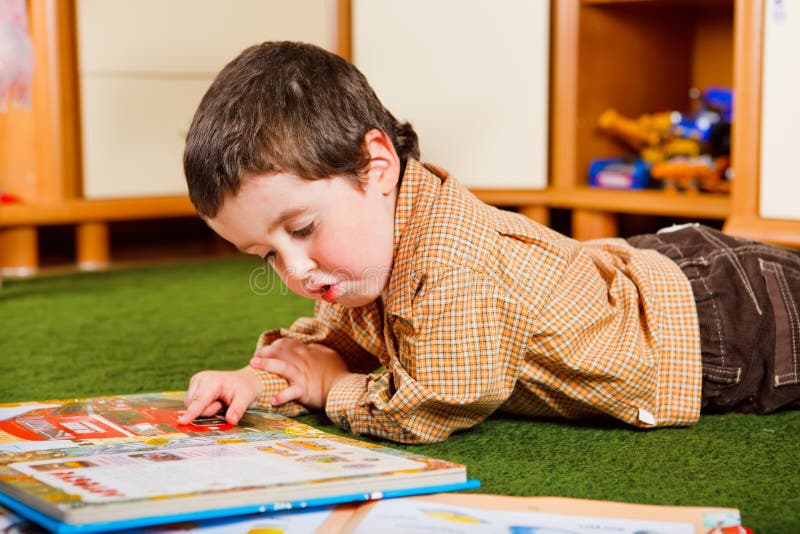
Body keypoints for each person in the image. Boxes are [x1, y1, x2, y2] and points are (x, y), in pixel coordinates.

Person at [177, 41, 800, 444]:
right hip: (657, 269)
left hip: (725, 322)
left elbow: (437, 397)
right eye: (266, 255)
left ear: (377, 165)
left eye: (303, 230)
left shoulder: (451, 265)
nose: (297, 270)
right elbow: (343, 340)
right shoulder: (363, 248)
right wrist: (263, 380)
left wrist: (331, 388)